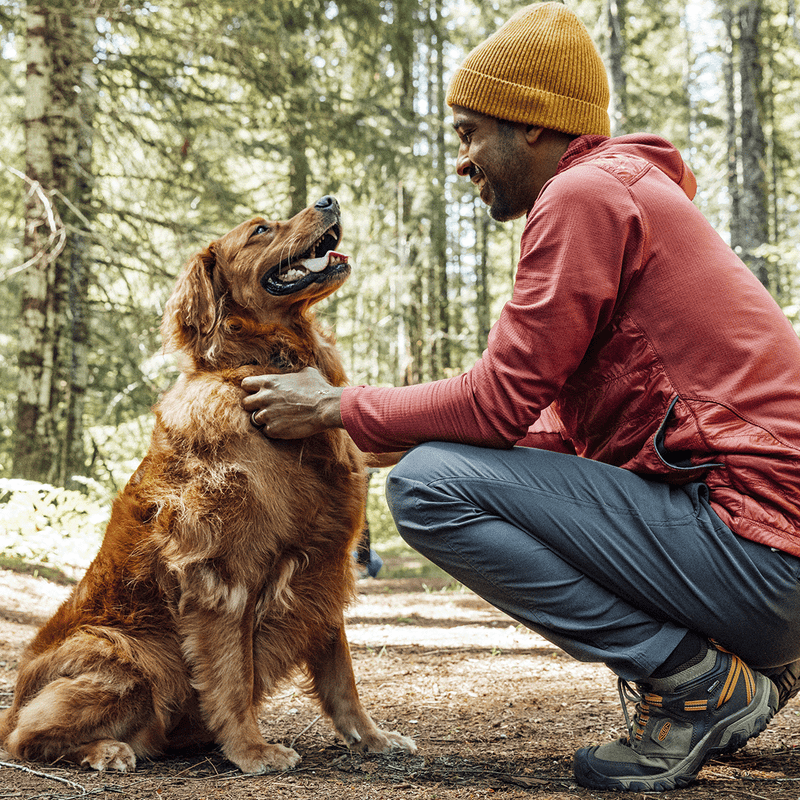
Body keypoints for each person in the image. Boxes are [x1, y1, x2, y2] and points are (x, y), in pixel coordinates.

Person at [242, 2, 800, 792]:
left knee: (430, 490)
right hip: (769, 555)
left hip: (758, 551)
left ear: (531, 125)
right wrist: (388, 424)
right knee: (440, 462)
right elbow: (548, 430)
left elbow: (498, 401)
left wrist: (339, 405)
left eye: (469, 133)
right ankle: (751, 670)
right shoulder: (626, 192)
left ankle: (696, 682)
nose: (461, 161)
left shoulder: (584, 198)